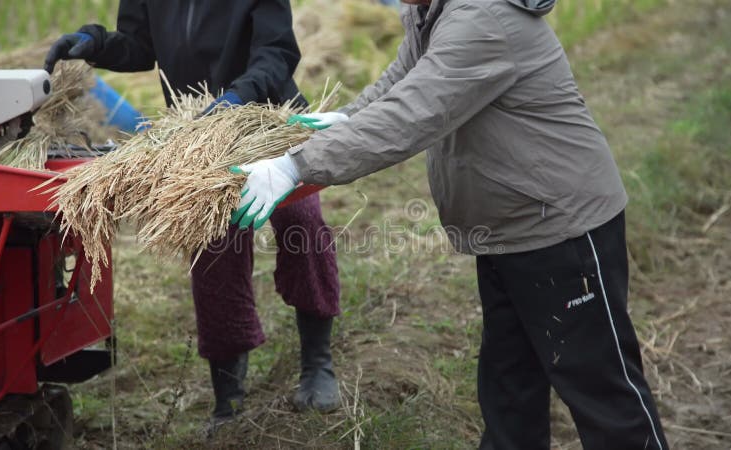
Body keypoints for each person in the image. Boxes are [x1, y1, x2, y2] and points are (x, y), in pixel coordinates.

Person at [231, 0, 670, 449]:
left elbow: (412, 113)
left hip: (562, 231)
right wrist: (346, 119)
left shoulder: (481, 19)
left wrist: (296, 165)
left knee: (603, 396)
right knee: (509, 395)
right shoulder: (433, 13)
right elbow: (402, 81)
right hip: (509, 230)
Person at [43, 0, 342, 433]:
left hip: (268, 117)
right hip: (198, 133)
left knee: (302, 225)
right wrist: (97, 43)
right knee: (213, 245)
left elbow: (277, 52)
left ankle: (318, 363)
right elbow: (139, 47)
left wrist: (239, 95)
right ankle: (228, 396)